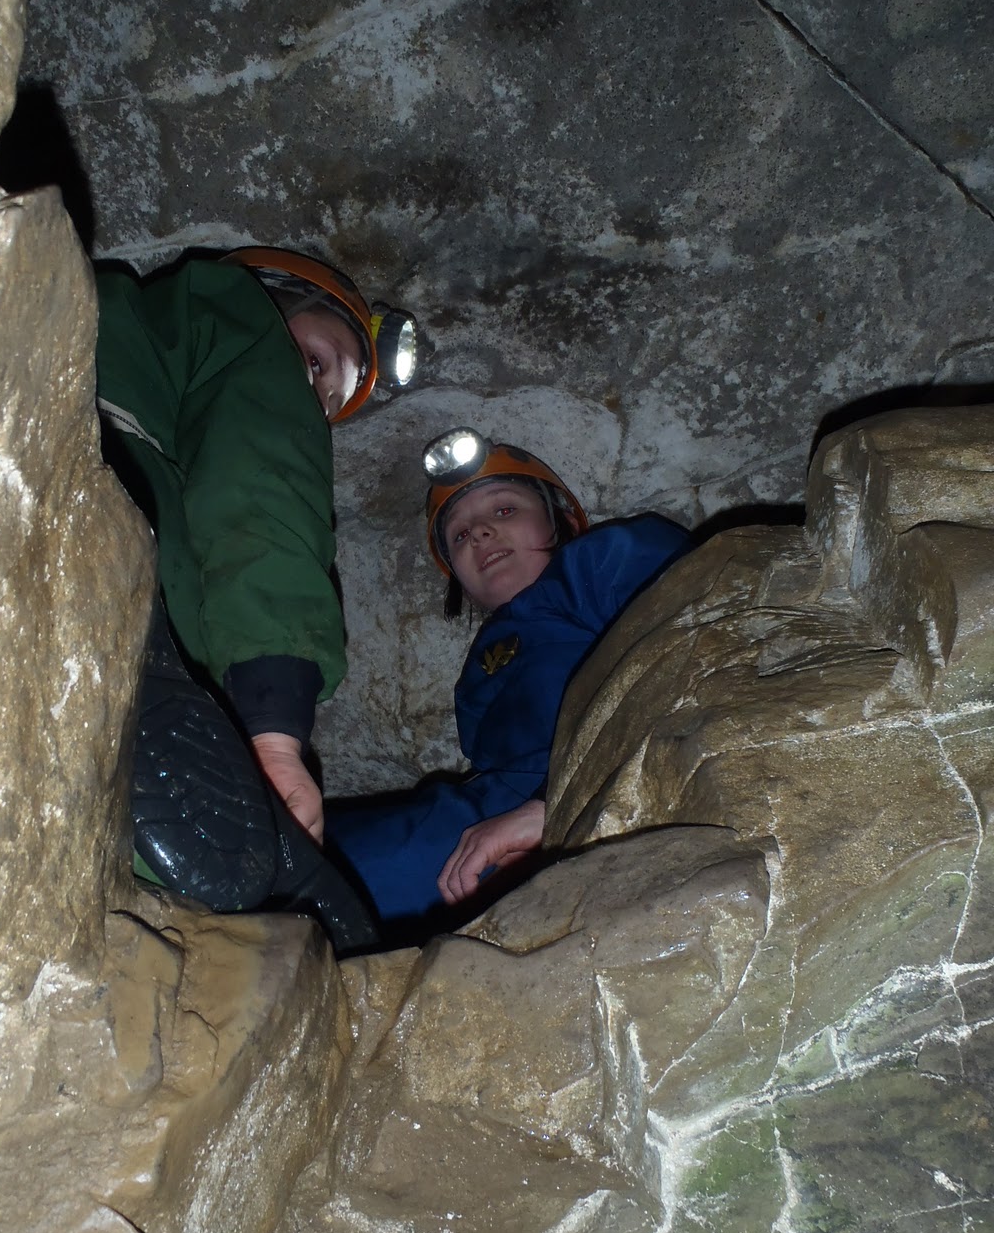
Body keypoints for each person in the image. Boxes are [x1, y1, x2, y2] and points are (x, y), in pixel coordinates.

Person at [95, 246, 404, 953]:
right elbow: (261, 499)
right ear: (275, 294)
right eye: (319, 367)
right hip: (96, 510)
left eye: (323, 403)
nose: (309, 399)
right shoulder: (224, 309)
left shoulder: (172, 462)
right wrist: (272, 730)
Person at [325, 431, 694, 933]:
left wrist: (555, 806)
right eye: (459, 535)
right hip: (495, 817)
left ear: (561, 520)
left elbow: (689, 647)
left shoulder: (607, 560)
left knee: (326, 870)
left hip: (567, 798)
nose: (477, 533)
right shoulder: (478, 676)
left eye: (503, 511)